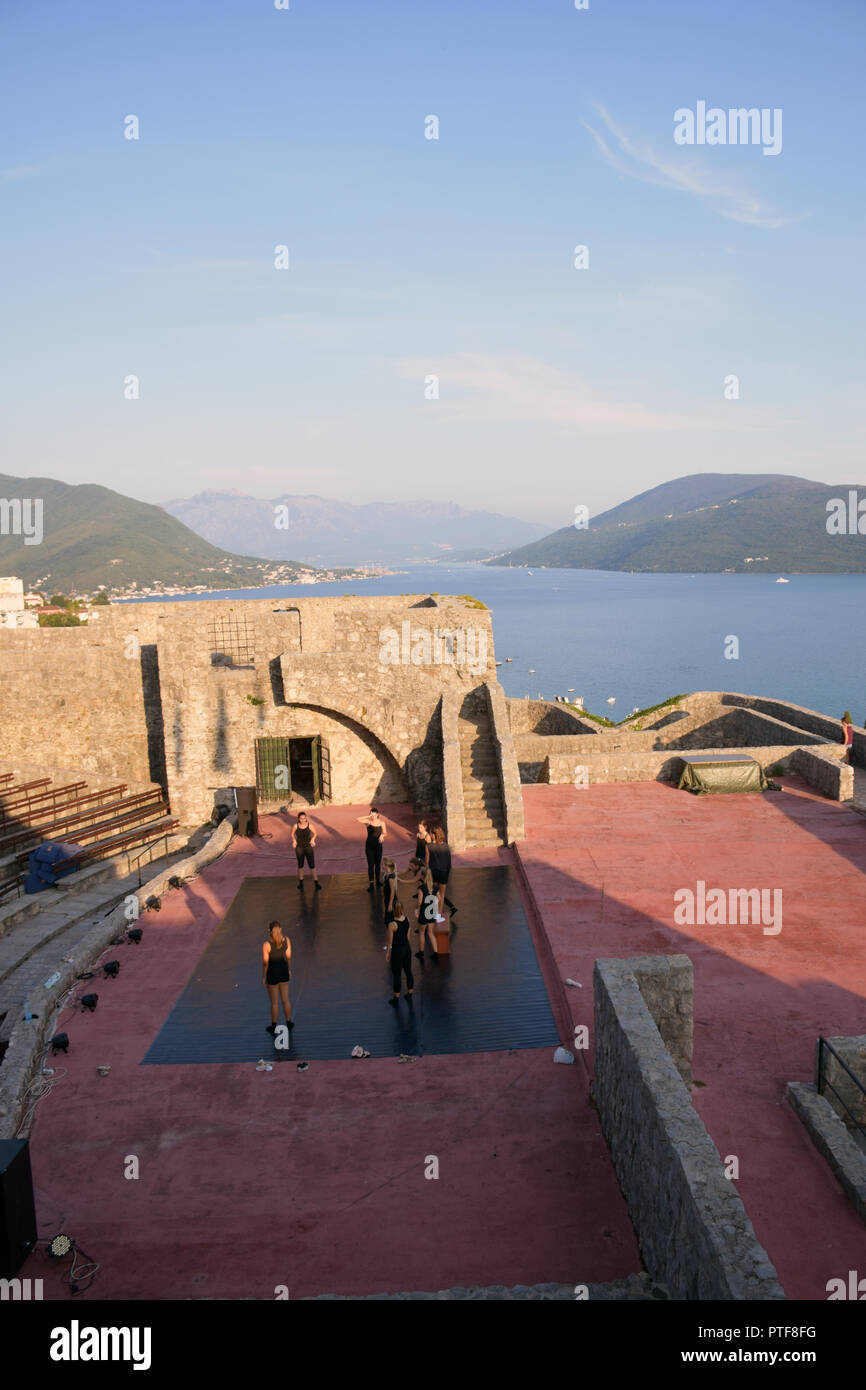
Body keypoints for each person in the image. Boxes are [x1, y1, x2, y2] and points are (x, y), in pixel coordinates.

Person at [262, 920, 293, 1035]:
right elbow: (288, 957)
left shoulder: (267, 945)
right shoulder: (287, 940)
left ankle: (274, 1025)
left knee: (274, 1002)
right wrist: (289, 970)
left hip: (272, 974)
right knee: (285, 999)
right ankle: (289, 1022)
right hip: (284, 971)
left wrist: (263, 977)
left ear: (269, 931)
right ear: (281, 929)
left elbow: (265, 963)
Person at [385, 900, 414, 1004]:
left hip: (397, 951)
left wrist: (388, 952)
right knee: (408, 971)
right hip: (407, 949)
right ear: (402, 909)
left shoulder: (392, 924)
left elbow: (390, 942)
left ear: (393, 910)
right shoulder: (408, 920)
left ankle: (396, 998)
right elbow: (408, 937)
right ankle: (410, 993)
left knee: (397, 974)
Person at [413, 863, 443, 959]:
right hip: (432, 912)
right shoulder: (434, 887)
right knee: (431, 933)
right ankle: (436, 952)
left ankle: (421, 952)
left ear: (422, 876)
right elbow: (439, 898)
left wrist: (417, 909)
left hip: (424, 913)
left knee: (422, 933)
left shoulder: (421, 888)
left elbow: (420, 901)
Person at [426, 826, 453, 919]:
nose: (429, 835)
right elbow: (449, 861)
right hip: (443, 872)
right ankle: (438, 915)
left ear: (434, 835)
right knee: (442, 894)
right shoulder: (446, 846)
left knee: (434, 894)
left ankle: (433, 913)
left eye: (431, 833)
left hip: (433, 872)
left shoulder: (429, 846)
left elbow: (427, 862)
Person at [357, 807, 386, 891]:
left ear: (377, 815)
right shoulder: (368, 822)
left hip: (378, 847)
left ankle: (378, 881)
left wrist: (382, 835)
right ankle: (371, 884)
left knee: (378, 865)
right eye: (371, 814)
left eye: (374, 814)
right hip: (369, 847)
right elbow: (358, 819)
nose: (372, 816)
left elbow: (385, 832)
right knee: (370, 865)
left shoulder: (382, 823)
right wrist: (368, 816)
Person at [291, 811, 320, 889]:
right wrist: (294, 840)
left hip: (308, 847)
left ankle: (316, 883)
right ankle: (301, 882)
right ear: (298, 819)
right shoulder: (295, 826)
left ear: (306, 818)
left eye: (304, 818)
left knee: (312, 865)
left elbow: (315, 833)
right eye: (301, 818)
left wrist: (313, 839)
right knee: (300, 866)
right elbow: (292, 834)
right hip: (299, 848)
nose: (303, 820)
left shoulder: (310, 825)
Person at [381, 856, 398, 923]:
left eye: (382, 864)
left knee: (390, 918)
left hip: (391, 900)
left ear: (386, 865)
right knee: (388, 918)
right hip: (387, 898)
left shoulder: (390, 877)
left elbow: (392, 891)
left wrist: (390, 904)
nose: (381, 865)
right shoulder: (386, 874)